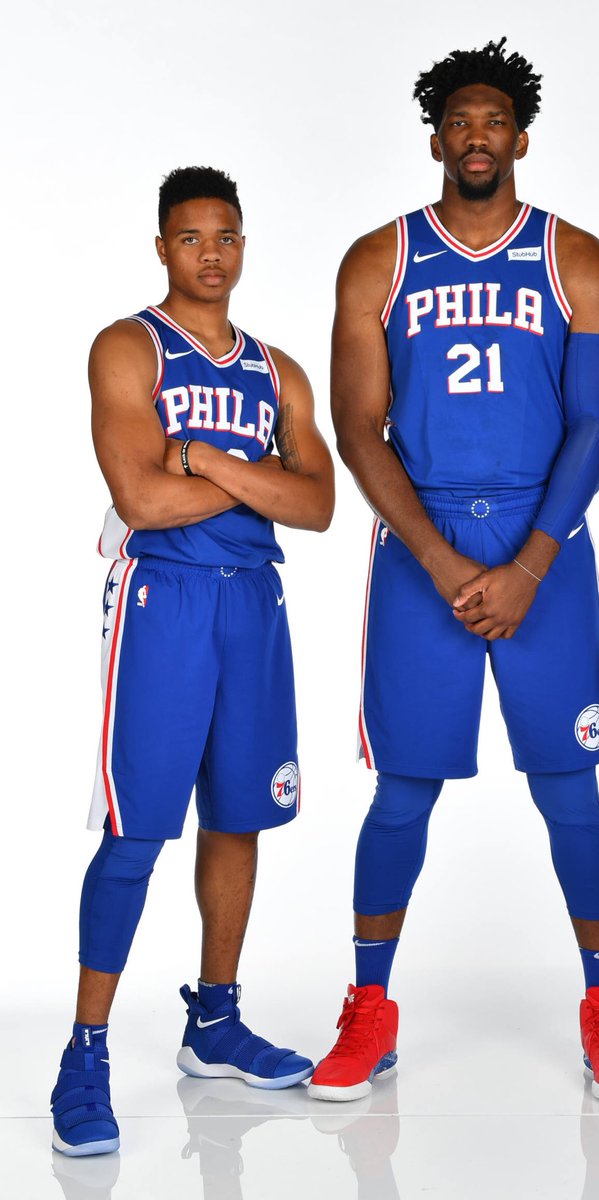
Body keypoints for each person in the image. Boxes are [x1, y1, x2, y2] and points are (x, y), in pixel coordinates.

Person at [310, 38, 599, 1105]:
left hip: (546, 540)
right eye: (458, 119)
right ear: (435, 138)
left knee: (571, 791)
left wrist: (531, 565)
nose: (475, 135)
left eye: (493, 119)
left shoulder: (576, 257)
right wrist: (445, 556)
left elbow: (596, 425)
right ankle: (370, 1007)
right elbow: (359, 430)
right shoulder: (380, 257)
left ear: (521, 137)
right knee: (403, 792)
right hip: (427, 545)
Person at [50, 166, 335, 1157]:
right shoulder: (130, 348)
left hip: (252, 607)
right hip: (162, 606)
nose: (209, 256)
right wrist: (263, 481)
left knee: (240, 819)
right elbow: (143, 502)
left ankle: (215, 1021)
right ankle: (84, 1051)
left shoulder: (278, 372)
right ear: (162, 246)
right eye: (190, 238)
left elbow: (321, 507)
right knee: (136, 834)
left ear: (243, 246)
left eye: (226, 238)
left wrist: (209, 460)